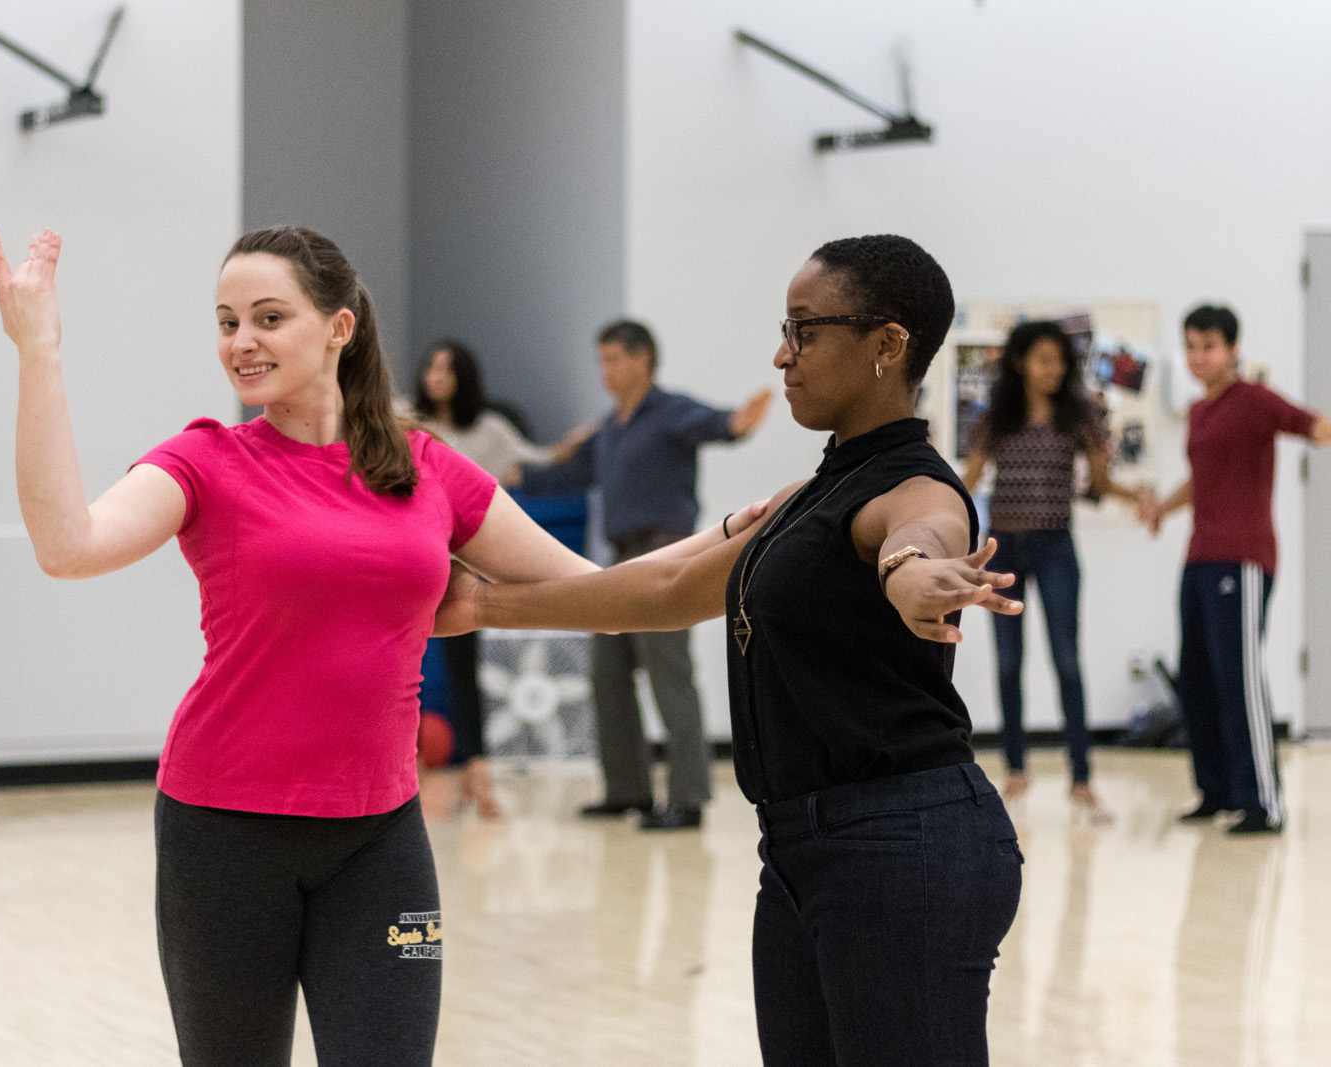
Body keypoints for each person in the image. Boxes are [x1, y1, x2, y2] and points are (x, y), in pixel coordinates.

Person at [0, 225, 766, 1065]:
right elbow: (68, 545)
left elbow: (598, 592)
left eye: (268, 316)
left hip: (379, 839)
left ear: (339, 327)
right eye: (226, 321)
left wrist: (736, 534)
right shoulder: (206, 461)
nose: (241, 341)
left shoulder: (429, 468)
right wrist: (40, 351)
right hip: (221, 833)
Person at [437, 234, 1025, 1066]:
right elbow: (665, 591)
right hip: (797, 851)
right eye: (784, 328)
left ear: (888, 345)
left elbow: (918, 539)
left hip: (904, 846)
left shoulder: (915, 488)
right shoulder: (811, 497)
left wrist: (916, 574)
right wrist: (482, 604)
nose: (781, 355)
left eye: (806, 330)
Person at [515, 320, 773, 830]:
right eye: (601, 361)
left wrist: (742, 421)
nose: (605, 371)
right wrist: (505, 476)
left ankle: (688, 797)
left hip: (668, 553)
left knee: (667, 672)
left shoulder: (669, 411)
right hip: (621, 558)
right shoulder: (610, 427)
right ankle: (627, 790)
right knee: (607, 672)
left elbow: (721, 425)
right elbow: (569, 471)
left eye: (613, 359)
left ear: (643, 359)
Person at [1142, 305, 1331, 834]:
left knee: (1238, 679)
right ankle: (1218, 791)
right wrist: (1161, 508)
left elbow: (1313, 426)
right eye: (1192, 346)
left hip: (1244, 560)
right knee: (1198, 678)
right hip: (1198, 557)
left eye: (1210, 345)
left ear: (1232, 349)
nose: (1199, 356)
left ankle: (1263, 803)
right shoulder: (1201, 413)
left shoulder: (1254, 400)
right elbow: (1202, 479)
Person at [961, 321, 1148, 818]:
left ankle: (1081, 780)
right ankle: (1016, 771)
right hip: (1002, 549)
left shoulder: (1078, 415)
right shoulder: (996, 417)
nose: (1053, 369)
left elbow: (1103, 483)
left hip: (1055, 547)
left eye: (1060, 360)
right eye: (1043, 358)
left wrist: (1142, 499)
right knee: (1008, 664)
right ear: (1020, 361)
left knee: (1067, 662)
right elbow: (970, 479)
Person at [410, 338, 590, 818]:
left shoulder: (489, 430)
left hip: (461, 570)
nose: (437, 376)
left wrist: (568, 446)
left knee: (465, 672)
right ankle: (402, 769)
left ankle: (478, 770)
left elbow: (538, 457)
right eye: (431, 367)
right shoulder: (408, 425)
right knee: (400, 664)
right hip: (410, 563)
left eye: (447, 368)